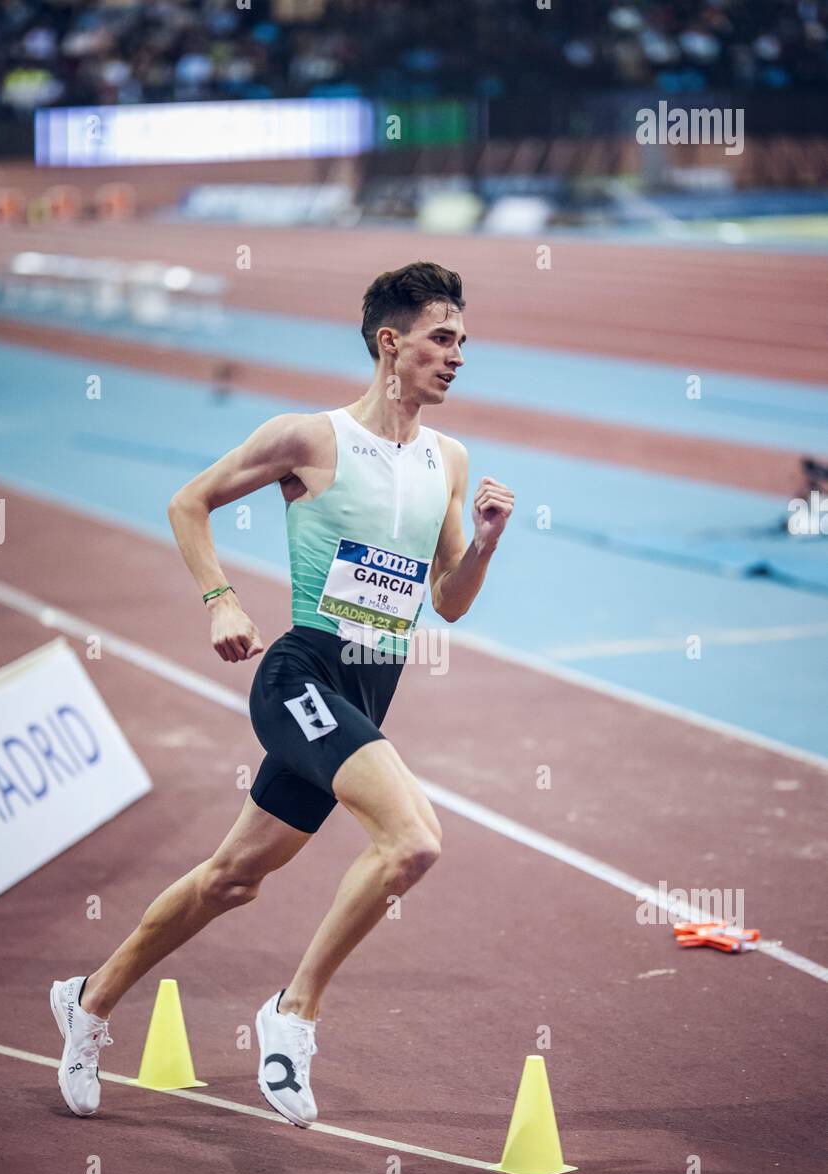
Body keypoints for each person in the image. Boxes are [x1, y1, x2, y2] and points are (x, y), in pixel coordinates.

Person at [50, 261, 514, 1127]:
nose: (457, 357)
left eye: (462, 342)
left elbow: (446, 599)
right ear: (391, 342)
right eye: (442, 338)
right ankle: (291, 1015)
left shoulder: (448, 460)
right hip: (299, 675)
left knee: (232, 878)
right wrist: (220, 598)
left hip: (370, 691)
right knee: (413, 843)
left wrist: (484, 544)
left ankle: (87, 1000)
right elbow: (190, 503)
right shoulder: (311, 439)